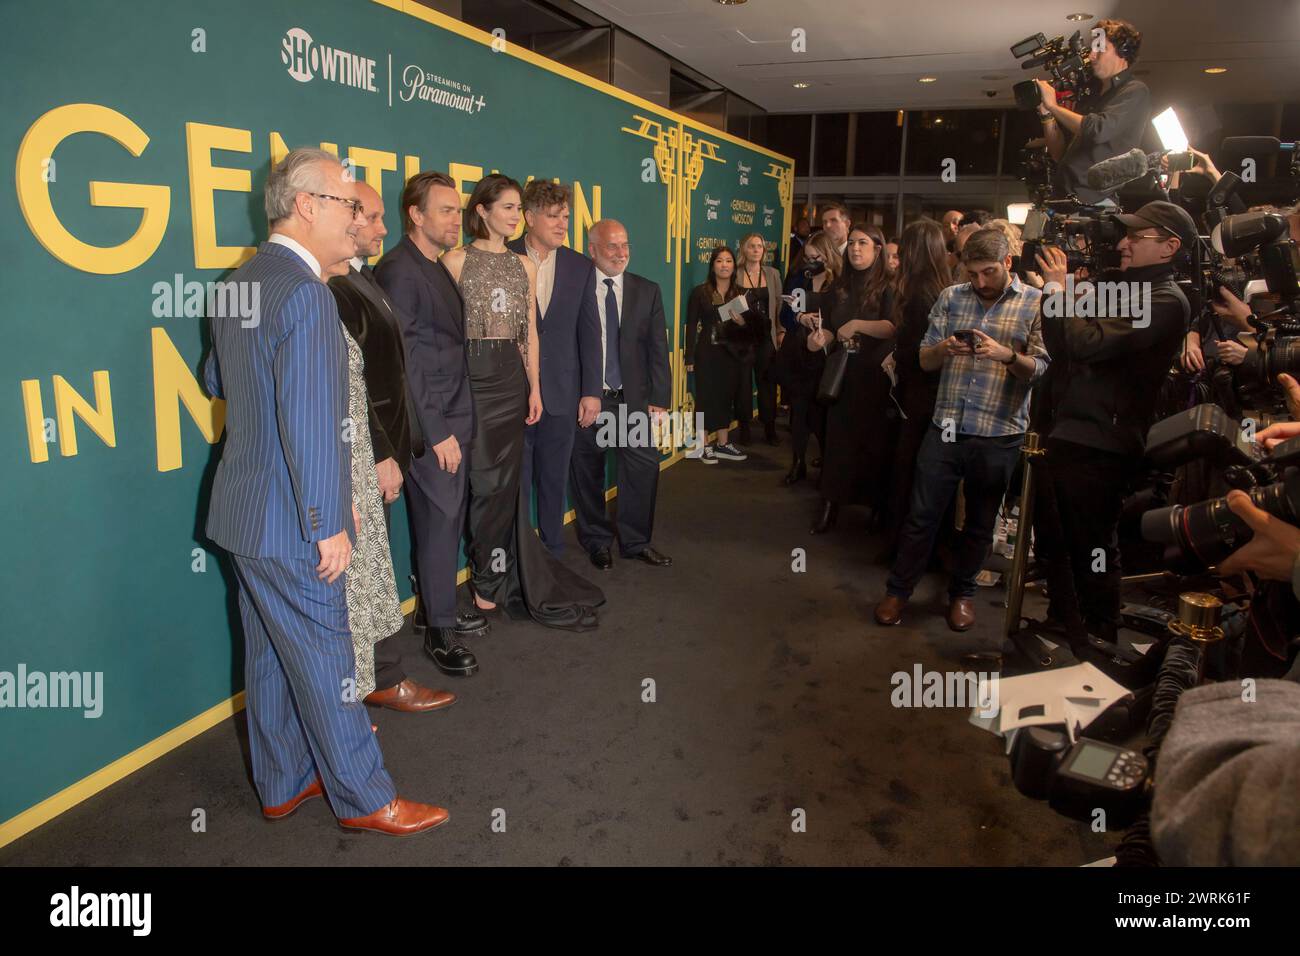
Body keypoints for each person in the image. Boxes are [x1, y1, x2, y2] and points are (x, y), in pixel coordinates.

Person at [203, 147, 446, 836]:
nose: (356, 216)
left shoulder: (239, 281)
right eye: (345, 202)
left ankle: (281, 783)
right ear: (306, 206)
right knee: (332, 663)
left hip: (243, 516)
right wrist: (327, 525)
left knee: (269, 656)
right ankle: (366, 798)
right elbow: (311, 426)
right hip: (293, 523)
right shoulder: (308, 294)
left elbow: (218, 383)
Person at [441, 174, 605, 630]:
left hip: (521, 388)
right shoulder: (454, 261)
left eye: (517, 208)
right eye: (509, 209)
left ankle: (520, 567)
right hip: (474, 384)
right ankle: (483, 574)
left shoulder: (536, 268)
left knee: (522, 485)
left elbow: (534, 333)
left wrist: (536, 388)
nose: (513, 216)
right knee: (486, 488)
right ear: (484, 210)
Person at [1031, 201, 1193, 644]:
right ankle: (1065, 621)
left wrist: (1058, 292)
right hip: (1070, 427)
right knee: (1057, 541)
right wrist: (1060, 297)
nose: (1122, 244)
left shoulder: (1165, 301)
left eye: (1135, 238)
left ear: (1169, 247)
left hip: (1104, 439)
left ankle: (1099, 632)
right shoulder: (1119, 289)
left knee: (1094, 544)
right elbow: (1063, 346)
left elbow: (1086, 344)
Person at [874, 228, 1048, 632]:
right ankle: (899, 590)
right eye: (972, 274)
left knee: (980, 523)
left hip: (999, 431)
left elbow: (1041, 369)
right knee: (921, 516)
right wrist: (942, 349)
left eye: (988, 272)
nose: (980, 282)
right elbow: (924, 359)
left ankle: (963, 594)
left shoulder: (1035, 303)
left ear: (1007, 263)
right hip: (946, 427)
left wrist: (1006, 355)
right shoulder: (951, 297)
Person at [327, 181, 454, 713]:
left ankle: (373, 679)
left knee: (373, 578)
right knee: (357, 580)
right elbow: (350, 386)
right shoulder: (329, 288)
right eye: (374, 218)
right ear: (346, 218)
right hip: (361, 455)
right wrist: (380, 454)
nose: (382, 229)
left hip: (383, 449)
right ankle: (370, 683)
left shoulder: (361, 279)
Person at [376, 172, 485, 677]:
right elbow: (408, 360)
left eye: (456, 210)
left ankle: (430, 611)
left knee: (444, 522)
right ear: (415, 215)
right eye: (445, 210)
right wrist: (437, 430)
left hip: (453, 415)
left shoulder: (431, 265)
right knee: (440, 525)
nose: (455, 219)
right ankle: (440, 633)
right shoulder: (399, 269)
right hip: (432, 424)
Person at [570, 219, 673, 570]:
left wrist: (659, 399)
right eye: (612, 246)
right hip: (590, 399)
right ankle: (597, 542)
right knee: (588, 473)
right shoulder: (576, 289)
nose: (621, 253)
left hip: (634, 400)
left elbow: (659, 349)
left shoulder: (648, 290)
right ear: (592, 249)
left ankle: (636, 541)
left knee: (642, 470)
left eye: (625, 244)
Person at [506, 180, 603, 556]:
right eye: (553, 216)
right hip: (513, 395)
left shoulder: (580, 265)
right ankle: (518, 559)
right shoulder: (504, 257)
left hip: (563, 394)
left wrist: (591, 390)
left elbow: (590, 331)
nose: (562, 223)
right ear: (529, 218)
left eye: (565, 216)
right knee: (516, 484)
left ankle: (552, 557)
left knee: (552, 482)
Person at [808, 224, 897, 534]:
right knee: (837, 442)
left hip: (875, 377)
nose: (856, 249)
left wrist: (858, 324)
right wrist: (821, 338)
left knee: (873, 443)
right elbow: (832, 328)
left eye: (864, 243)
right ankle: (831, 504)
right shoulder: (840, 286)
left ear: (877, 248)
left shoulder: (890, 285)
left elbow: (893, 327)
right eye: (853, 244)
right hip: (842, 373)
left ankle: (874, 508)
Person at [883, 219, 950, 553]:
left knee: (908, 471)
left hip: (920, 395)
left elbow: (919, 350)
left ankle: (903, 547)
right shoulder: (941, 288)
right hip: (929, 395)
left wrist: (897, 356)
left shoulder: (921, 295)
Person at [1036, 18, 1151, 205]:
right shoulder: (1091, 95)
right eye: (1092, 49)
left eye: (1100, 49)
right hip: (1064, 197)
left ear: (1123, 52)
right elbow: (1059, 154)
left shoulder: (1135, 91)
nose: (1092, 56)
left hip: (1095, 202)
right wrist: (1046, 115)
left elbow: (1098, 130)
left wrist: (1054, 106)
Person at [773, 231, 840, 484]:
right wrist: (800, 318)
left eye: (817, 257)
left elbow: (841, 318)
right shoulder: (799, 277)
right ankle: (797, 462)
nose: (811, 261)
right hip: (798, 352)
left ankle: (827, 466)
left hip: (825, 355)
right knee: (798, 412)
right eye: (808, 257)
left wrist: (825, 326)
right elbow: (784, 314)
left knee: (821, 414)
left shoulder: (840, 282)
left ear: (828, 255)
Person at [684, 245, 757, 464]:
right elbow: (691, 325)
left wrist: (742, 322)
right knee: (705, 398)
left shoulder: (742, 293)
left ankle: (723, 444)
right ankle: (703, 445)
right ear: (712, 265)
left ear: (734, 266)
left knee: (726, 397)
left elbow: (751, 329)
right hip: (707, 350)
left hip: (731, 352)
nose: (724, 265)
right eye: (719, 261)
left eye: (728, 261)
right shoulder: (700, 292)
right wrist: (690, 356)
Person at [734, 231, 784, 446]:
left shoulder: (772, 274)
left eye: (760, 246)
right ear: (744, 249)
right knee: (743, 384)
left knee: (767, 384)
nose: (756, 250)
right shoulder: (735, 274)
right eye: (752, 246)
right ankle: (744, 428)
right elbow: (726, 303)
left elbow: (779, 306)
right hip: (743, 339)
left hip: (766, 338)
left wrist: (780, 331)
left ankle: (769, 427)